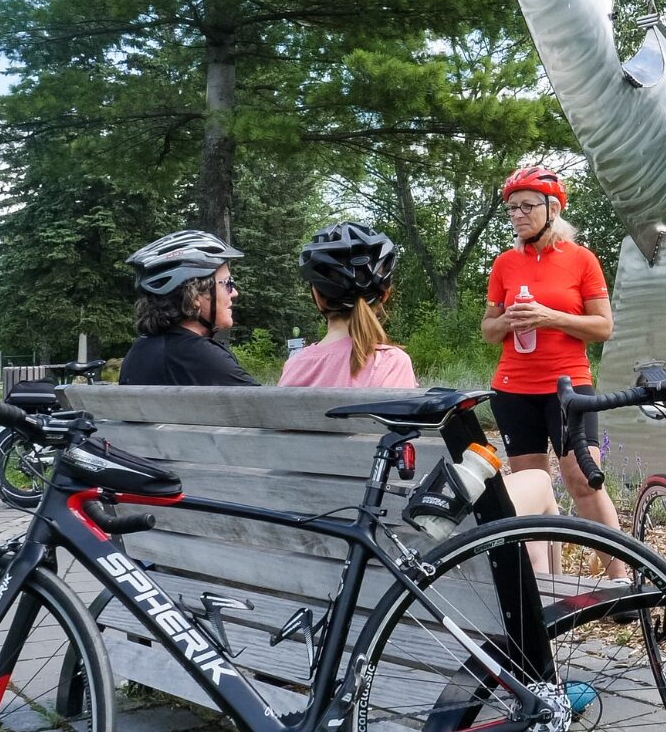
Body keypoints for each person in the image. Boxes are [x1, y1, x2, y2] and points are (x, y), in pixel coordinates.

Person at [281, 220, 561, 572]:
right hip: (398, 535)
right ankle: (544, 601)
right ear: (386, 294)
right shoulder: (389, 363)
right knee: (539, 481)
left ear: (317, 296)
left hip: (316, 529)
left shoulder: (295, 367)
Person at [481, 166, 626, 579]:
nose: (518, 215)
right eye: (512, 208)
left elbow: (603, 327)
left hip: (568, 387)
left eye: (527, 206)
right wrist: (508, 320)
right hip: (513, 389)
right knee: (533, 486)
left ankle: (621, 580)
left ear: (553, 209)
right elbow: (488, 331)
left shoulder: (581, 259)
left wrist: (550, 317)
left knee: (584, 481)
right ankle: (548, 583)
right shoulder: (505, 263)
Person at [120, 229, 257, 386]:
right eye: (227, 283)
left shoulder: (139, 350)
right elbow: (267, 402)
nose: (234, 292)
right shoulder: (201, 357)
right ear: (195, 295)